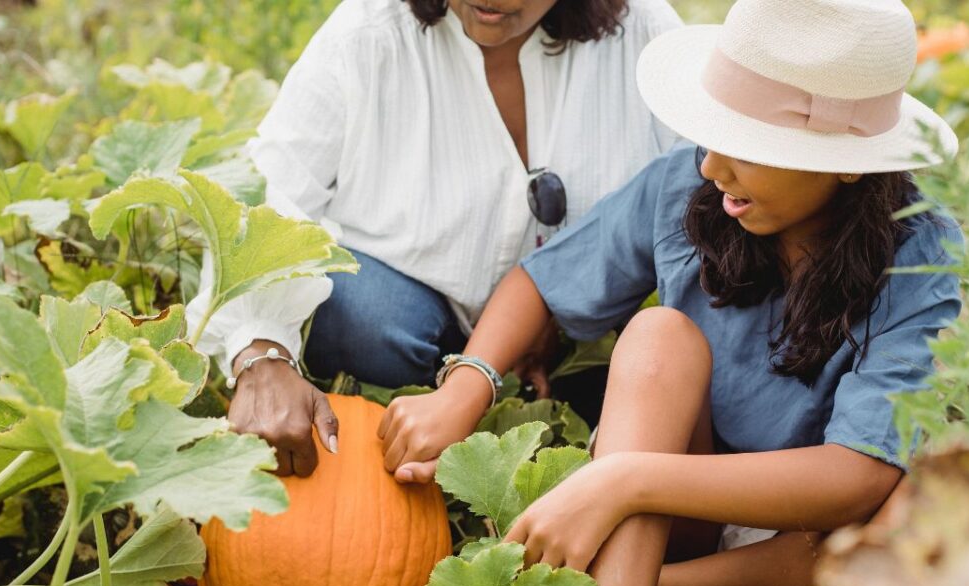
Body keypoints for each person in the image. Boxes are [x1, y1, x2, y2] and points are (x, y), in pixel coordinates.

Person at [378, 0, 963, 586]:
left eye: (748, 145)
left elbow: (857, 477)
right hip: (685, 502)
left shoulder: (918, 254)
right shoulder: (693, 187)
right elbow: (542, 282)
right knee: (660, 335)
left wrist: (624, 480)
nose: (712, 165)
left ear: (845, 168)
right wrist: (467, 386)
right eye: (716, 134)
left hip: (813, 543)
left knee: (924, 506)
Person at [185, 0, 685, 477]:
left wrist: (563, 301)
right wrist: (260, 348)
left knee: (643, 362)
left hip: (570, 341)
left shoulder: (644, 35)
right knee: (360, 314)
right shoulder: (368, 33)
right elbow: (273, 186)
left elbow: (705, 192)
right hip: (410, 325)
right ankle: (422, 422)